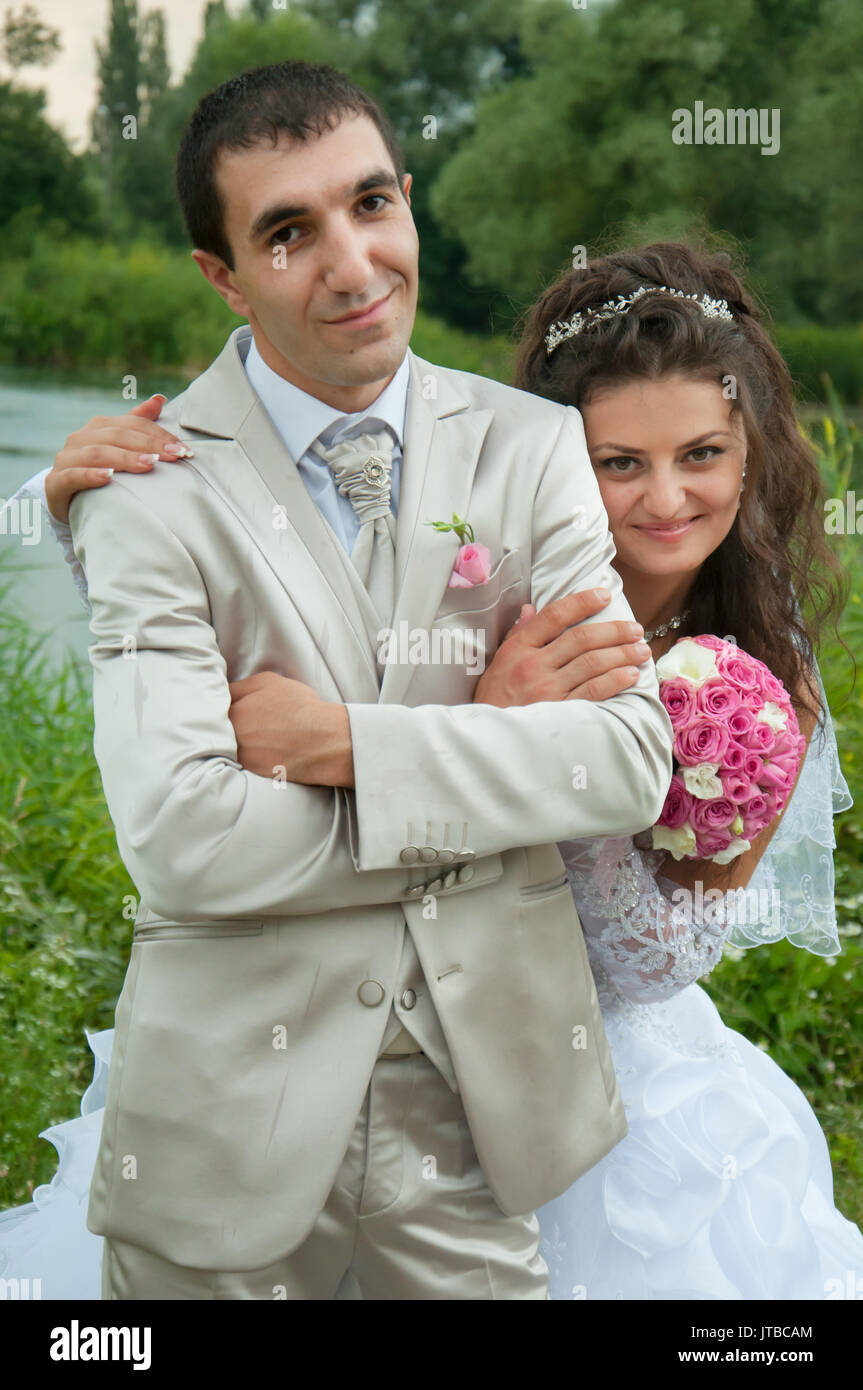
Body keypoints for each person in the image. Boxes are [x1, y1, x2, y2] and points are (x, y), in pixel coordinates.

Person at [0, 62, 675, 1301]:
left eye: (370, 204)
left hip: (481, 1122)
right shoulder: (144, 490)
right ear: (222, 273)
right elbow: (184, 843)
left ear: (407, 198)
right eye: (288, 232)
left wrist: (342, 744)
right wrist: (482, 739)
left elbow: (626, 764)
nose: (353, 266)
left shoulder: (530, 450)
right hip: (223, 1139)